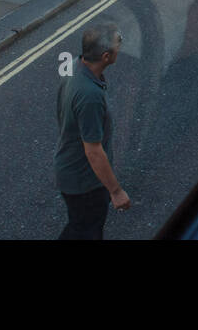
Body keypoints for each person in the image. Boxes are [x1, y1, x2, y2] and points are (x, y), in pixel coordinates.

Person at [54, 22, 130, 239]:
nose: (120, 47)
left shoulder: (75, 68)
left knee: (79, 226)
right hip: (85, 181)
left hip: (70, 169)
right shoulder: (90, 95)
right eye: (118, 44)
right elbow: (93, 152)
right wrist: (116, 191)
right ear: (106, 56)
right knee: (87, 231)